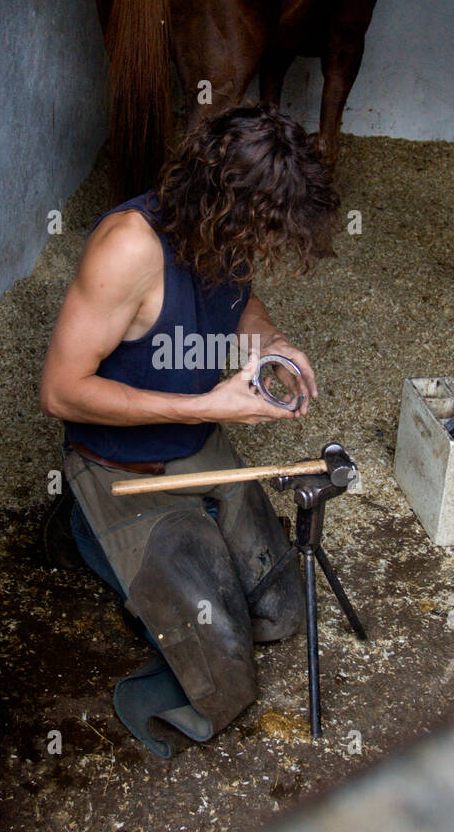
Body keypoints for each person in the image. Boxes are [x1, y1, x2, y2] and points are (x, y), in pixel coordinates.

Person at [39, 104, 339, 756]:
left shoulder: (222, 229)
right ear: (225, 204)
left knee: (282, 613)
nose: (261, 251)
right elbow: (60, 391)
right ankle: (83, 528)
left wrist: (274, 344)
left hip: (195, 442)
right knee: (224, 681)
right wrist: (211, 408)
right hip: (122, 464)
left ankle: (128, 548)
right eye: (261, 234)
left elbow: (243, 303)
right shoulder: (128, 248)